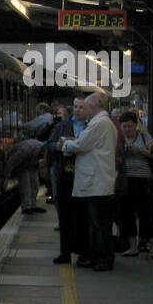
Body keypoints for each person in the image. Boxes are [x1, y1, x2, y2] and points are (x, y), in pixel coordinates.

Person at [62, 92, 119, 270]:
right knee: (98, 223)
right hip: (97, 181)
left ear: (93, 107)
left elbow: (80, 145)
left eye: (85, 107)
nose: (82, 110)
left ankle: (103, 258)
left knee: (99, 224)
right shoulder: (102, 123)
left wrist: (65, 144)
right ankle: (99, 256)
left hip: (96, 182)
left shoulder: (99, 123)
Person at [49, 96, 88, 263]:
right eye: (76, 106)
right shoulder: (62, 126)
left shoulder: (91, 126)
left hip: (85, 175)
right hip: (65, 175)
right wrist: (58, 146)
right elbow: (49, 145)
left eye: (81, 107)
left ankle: (83, 252)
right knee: (65, 217)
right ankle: (65, 253)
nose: (78, 110)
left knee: (83, 217)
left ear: (88, 109)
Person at [117, 110, 153, 255]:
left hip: (142, 179)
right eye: (124, 126)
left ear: (136, 126)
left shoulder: (144, 136)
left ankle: (152, 245)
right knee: (126, 214)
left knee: (146, 213)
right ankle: (132, 246)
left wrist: (139, 150)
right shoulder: (119, 139)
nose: (127, 129)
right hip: (125, 180)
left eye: (129, 126)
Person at [4, 136, 48, 214]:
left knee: (35, 184)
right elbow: (11, 163)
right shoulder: (24, 151)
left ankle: (33, 205)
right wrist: (5, 178)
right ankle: (26, 207)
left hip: (31, 163)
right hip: (21, 165)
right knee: (26, 185)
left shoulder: (42, 149)